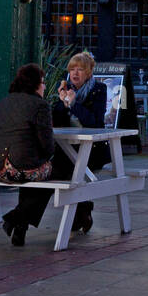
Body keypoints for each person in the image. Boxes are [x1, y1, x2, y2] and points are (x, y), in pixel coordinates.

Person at [0, 63, 54, 247]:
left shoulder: (5, 101)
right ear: (34, 84)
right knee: (56, 172)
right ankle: (15, 218)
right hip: (18, 170)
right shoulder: (41, 105)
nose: (44, 86)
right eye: (42, 82)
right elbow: (48, 147)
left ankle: (20, 228)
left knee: (33, 170)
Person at [50, 51, 108, 235]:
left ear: (89, 72)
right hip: (67, 147)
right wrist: (61, 103)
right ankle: (83, 211)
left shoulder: (99, 90)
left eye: (80, 69)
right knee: (57, 170)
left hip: (92, 148)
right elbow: (56, 122)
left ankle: (81, 213)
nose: (75, 73)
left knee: (71, 171)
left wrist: (74, 104)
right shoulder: (65, 88)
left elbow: (95, 122)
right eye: (72, 69)